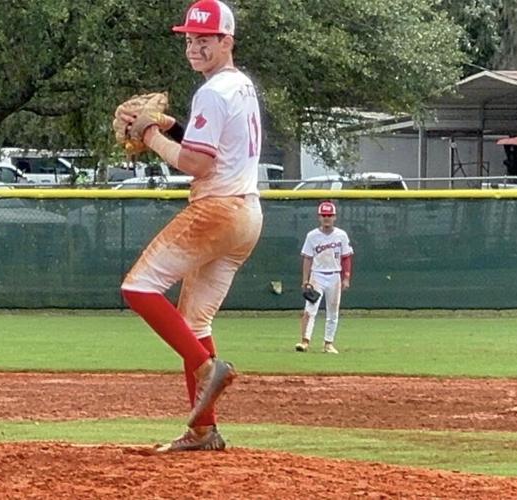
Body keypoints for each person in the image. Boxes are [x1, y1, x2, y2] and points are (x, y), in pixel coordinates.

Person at [119, 0, 263, 452]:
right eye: (190, 38)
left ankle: (206, 368)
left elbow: (198, 165)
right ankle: (204, 431)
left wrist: (150, 136)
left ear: (228, 41)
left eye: (205, 39)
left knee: (138, 288)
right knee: (195, 321)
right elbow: (217, 147)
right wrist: (173, 126)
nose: (194, 47)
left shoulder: (213, 91)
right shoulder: (240, 85)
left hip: (217, 208)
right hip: (247, 213)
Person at [295, 201, 354, 354]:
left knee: (333, 311)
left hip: (335, 275)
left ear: (334, 217)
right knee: (310, 309)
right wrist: (305, 280)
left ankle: (328, 343)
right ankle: (305, 341)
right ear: (319, 217)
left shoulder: (341, 235)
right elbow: (307, 258)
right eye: (324, 215)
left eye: (329, 215)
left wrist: (346, 277)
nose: (326, 218)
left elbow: (346, 257)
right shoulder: (312, 236)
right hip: (317, 275)